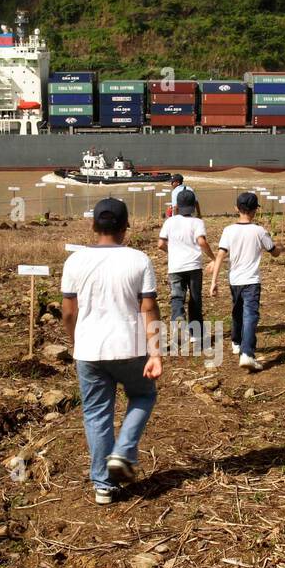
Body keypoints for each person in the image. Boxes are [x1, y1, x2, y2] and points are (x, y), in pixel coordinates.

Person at [61, 198, 163, 505]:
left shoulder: (75, 261)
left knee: (96, 414)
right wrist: (156, 351)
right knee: (144, 396)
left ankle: (103, 486)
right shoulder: (139, 260)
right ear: (125, 226)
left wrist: (75, 341)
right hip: (130, 347)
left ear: (93, 226)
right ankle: (123, 451)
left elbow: (68, 311)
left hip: (89, 351)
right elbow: (149, 307)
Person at [210, 192, 274, 372]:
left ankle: (236, 342)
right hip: (252, 280)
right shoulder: (259, 231)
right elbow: (274, 251)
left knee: (237, 311)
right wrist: (282, 248)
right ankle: (247, 353)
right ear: (255, 210)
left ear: (236, 208)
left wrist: (213, 281)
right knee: (250, 315)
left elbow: (221, 255)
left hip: (234, 280)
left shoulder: (229, 230)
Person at [157, 189, 214, 348]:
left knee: (177, 297)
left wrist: (172, 252)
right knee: (195, 298)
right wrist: (213, 258)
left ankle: (178, 318)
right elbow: (201, 242)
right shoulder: (197, 222)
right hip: (194, 266)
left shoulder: (169, 222)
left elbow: (160, 244)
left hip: (175, 266)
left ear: (177, 206)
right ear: (193, 206)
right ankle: (196, 335)